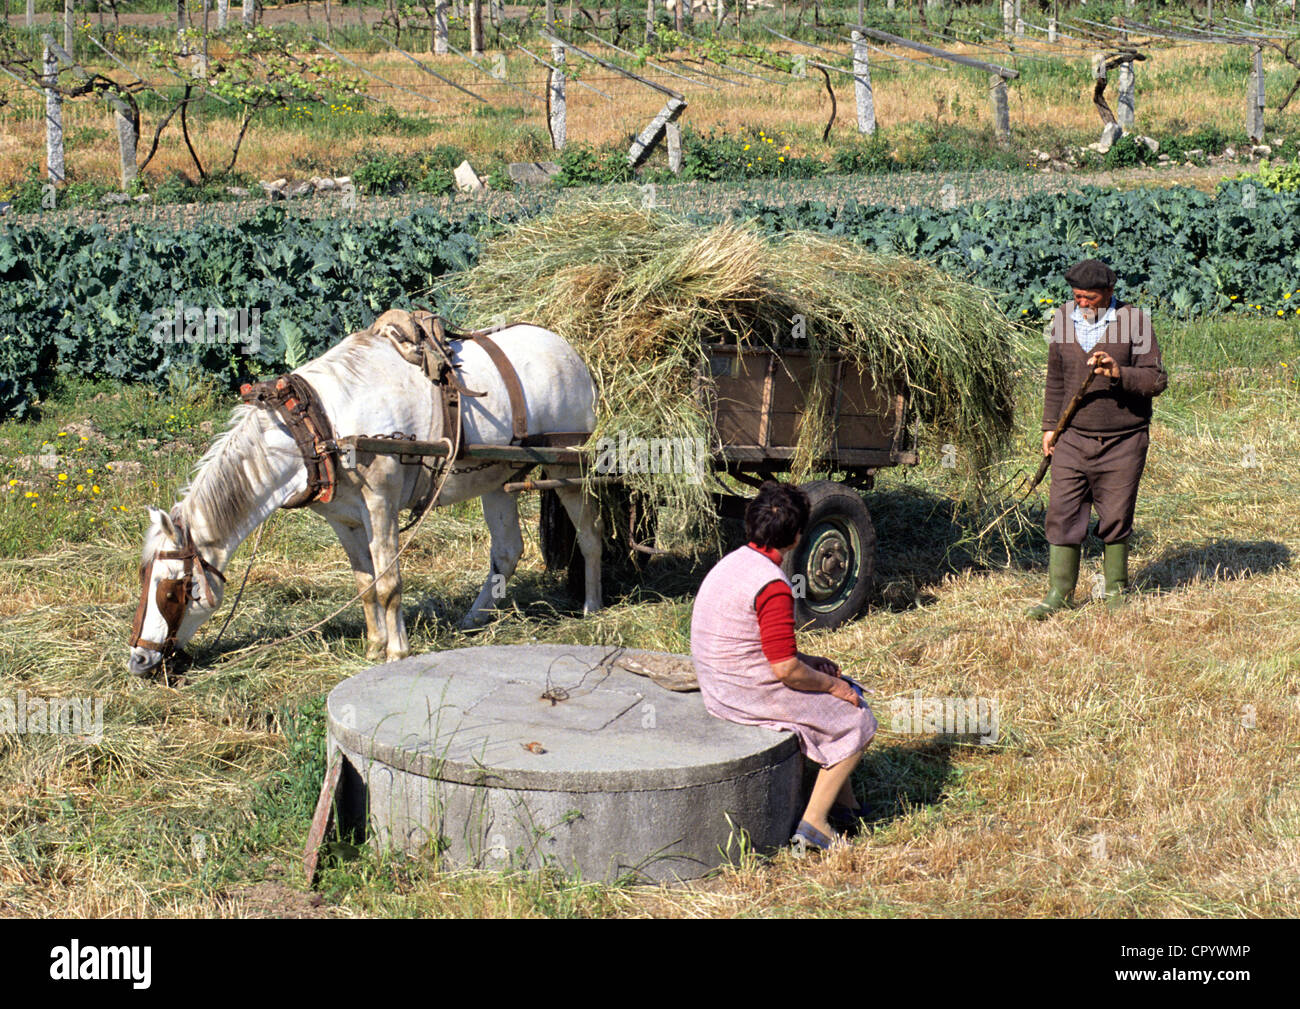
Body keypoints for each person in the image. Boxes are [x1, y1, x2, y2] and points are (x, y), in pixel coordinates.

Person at [690, 480, 877, 852]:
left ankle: (845, 807)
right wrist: (832, 687)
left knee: (843, 694)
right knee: (858, 717)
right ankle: (815, 825)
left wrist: (812, 664)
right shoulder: (773, 585)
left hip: (719, 680)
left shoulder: (736, 561)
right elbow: (785, 671)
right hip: (744, 691)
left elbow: (766, 648)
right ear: (795, 537)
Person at [1028, 258, 1168, 618]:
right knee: (1062, 512)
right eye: (1077, 297)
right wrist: (1049, 426)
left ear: (1109, 292)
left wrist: (1119, 372)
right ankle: (1059, 592)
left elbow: (1156, 380)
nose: (1083, 304)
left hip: (1124, 439)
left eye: (1090, 297)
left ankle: (1116, 592)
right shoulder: (1062, 319)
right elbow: (1056, 379)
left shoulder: (1135, 322)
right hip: (1072, 437)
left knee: (1116, 515)